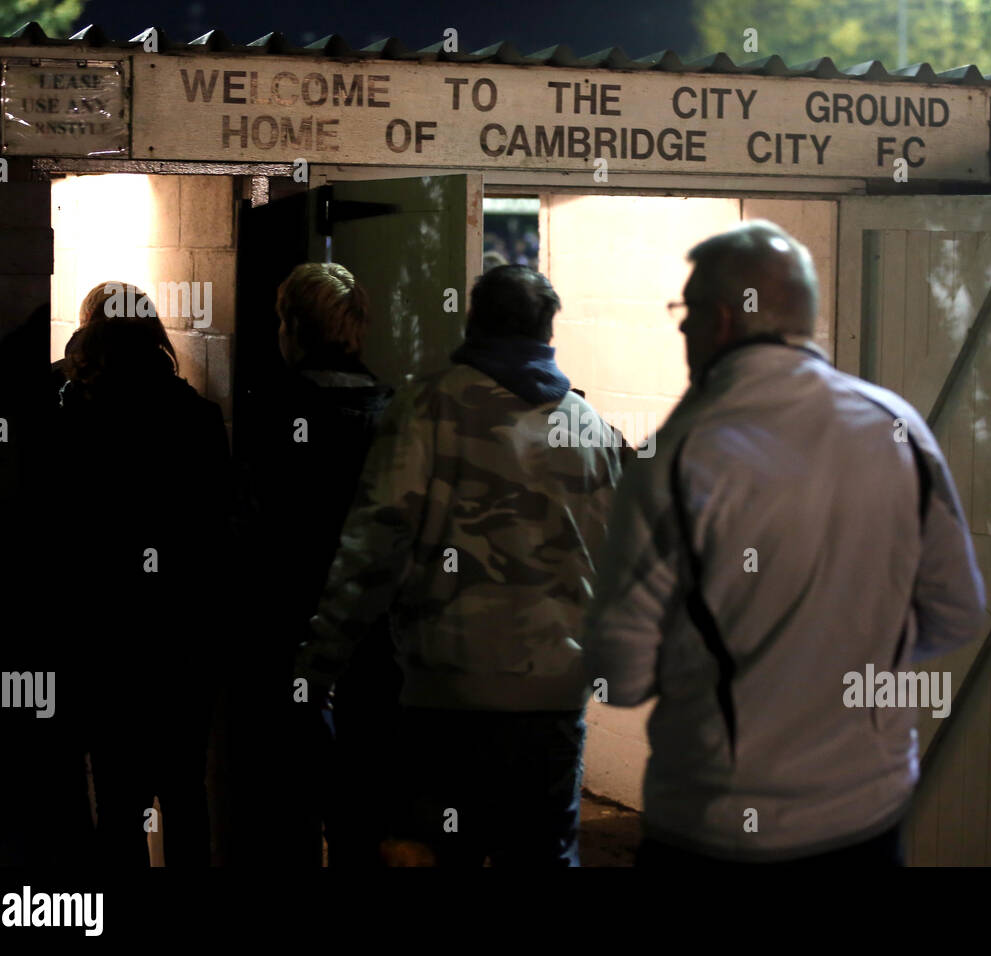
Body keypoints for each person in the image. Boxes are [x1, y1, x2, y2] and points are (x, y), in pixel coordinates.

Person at [582, 221, 987, 866]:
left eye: (684, 312)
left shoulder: (673, 461)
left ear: (719, 319)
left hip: (713, 824)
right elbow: (959, 612)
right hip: (867, 815)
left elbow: (618, 677)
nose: (681, 329)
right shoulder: (896, 427)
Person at [294, 265, 625, 866]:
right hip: (552, 697)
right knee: (543, 854)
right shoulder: (591, 429)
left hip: (446, 696)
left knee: (441, 851)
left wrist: (319, 664)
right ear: (550, 332)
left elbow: (373, 548)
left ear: (471, 320)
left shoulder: (424, 408)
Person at [54, 282, 230, 866]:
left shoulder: (76, 419)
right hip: (182, 637)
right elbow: (215, 535)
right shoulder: (198, 419)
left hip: (104, 638)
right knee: (184, 792)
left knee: (119, 797)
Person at [227, 263, 395, 867]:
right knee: (362, 821)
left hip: (287, 639)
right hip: (376, 646)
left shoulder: (273, 413)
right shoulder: (393, 414)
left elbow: (247, 536)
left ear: (294, 328)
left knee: (287, 819)